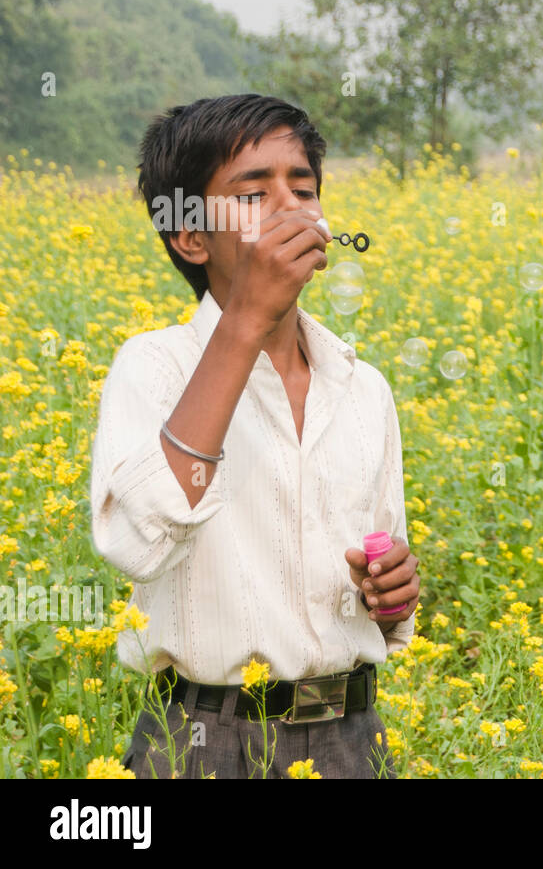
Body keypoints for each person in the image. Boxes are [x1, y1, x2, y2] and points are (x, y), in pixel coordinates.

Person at [90, 94, 420, 778]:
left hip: (349, 738)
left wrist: (392, 598)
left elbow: (381, 600)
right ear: (190, 236)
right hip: (203, 740)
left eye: (303, 188)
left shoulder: (364, 389)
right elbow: (137, 544)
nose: (290, 207)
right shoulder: (153, 368)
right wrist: (245, 321)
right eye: (254, 192)